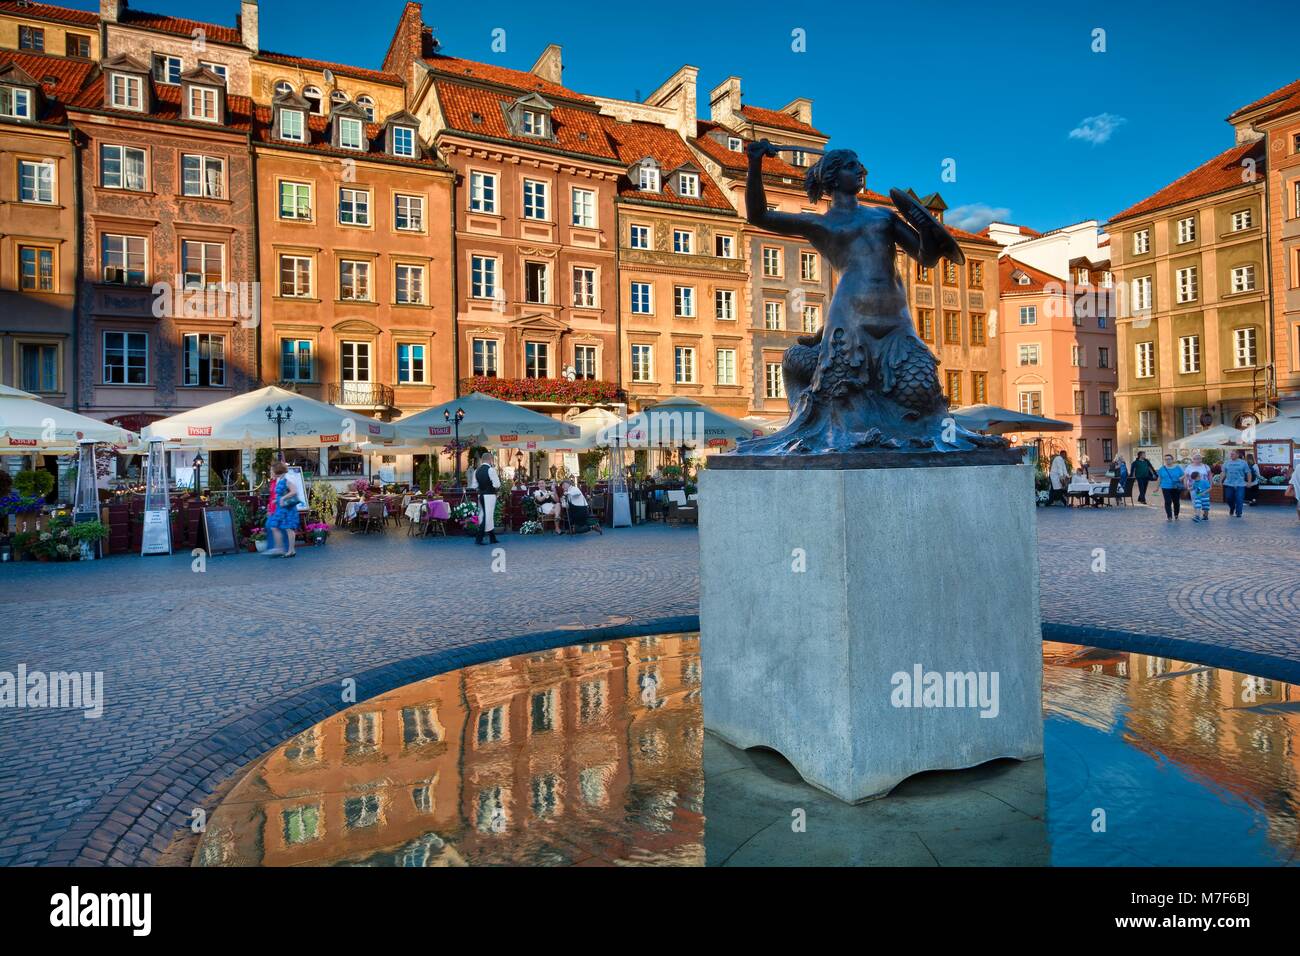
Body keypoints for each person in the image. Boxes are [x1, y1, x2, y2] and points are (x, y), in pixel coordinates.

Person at [263, 461, 300, 557]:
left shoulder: (287, 478)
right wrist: (277, 500)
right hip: (281, 508)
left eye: (272, 470)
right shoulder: (280, 478)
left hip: (288, 508)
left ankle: (290, 550)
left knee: (289, 529)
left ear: (277, 470)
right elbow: (281, 493)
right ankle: (285, 549)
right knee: (279, 527)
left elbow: (294, 491)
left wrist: (283, 498)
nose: (271, 472)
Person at [474, 453, 499, 546]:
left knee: (485, 515)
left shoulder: (477, 470)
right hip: (490, 495)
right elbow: (497, 484)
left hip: (481, 495)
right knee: (487, 516)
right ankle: (479, 538)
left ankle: (492, 537)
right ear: (490, 459)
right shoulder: (491, 470)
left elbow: (474, 485)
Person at [1221, 449, 1251, 518]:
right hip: (1229, 483)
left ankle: (1238, 513)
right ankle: (1232, 507)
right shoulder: (1226, 462)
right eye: (1231, 454)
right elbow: (1223, 472)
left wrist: (1249, 482)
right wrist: (1220, 480)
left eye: (1233, 454)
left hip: (1240, 484)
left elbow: (1248, 473)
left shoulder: (1243, 463)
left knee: (1240, 498)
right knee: (1228, 498)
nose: (1231, 455)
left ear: (1238, 455)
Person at [1157, 454, 1184, 521]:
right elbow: (1159, 478)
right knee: (1168, 501)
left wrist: (1181, 478)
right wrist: (1157, 487)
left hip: (1176, 487)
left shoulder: (1177, 467)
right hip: (1165, 487)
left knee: (1176, 502)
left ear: (1172, 460)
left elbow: (1184, 475)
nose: (1167, 461)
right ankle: (1169, 517)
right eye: (1166, 459)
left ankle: (1176, 515)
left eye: (1169, 459)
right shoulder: (1162, 468)